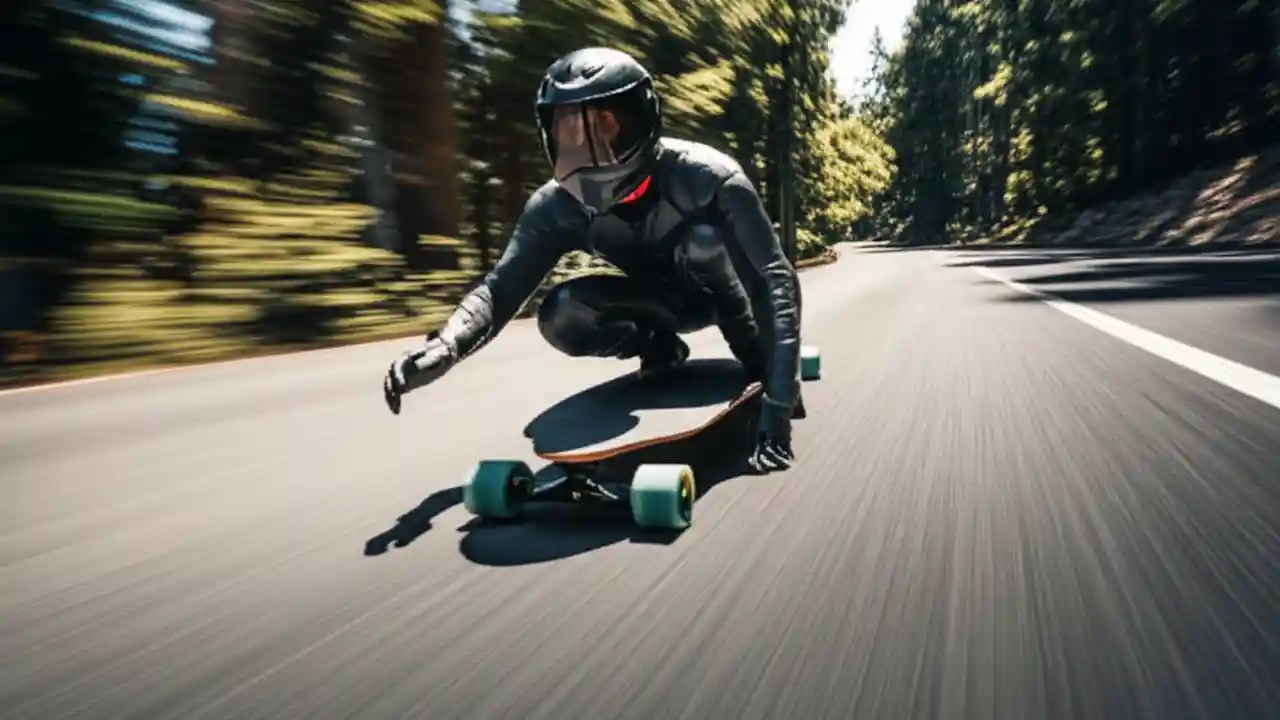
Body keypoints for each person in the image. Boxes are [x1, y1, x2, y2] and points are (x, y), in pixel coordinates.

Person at [383, 47, 806, 472]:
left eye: (605, 124)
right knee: (561, 314)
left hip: (732, 299)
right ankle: (661, 346)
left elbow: (775, 280)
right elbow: (500, 289)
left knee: (703, 243)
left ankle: (752, 352)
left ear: (642, 118)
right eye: (571, 131)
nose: (589, 146)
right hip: (659, 305)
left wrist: (780, 400)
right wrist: (446, 345)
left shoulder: (712, 178)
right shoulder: (555, 207)